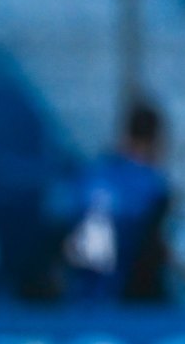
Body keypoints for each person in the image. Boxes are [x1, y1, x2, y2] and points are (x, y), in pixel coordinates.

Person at [55, 101, 172, 303]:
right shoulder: (151, 186)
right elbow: (153, 246)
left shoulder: (91, 172)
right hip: (121, 296)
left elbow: (60, 222)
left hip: (77, 290)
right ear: (156, 140)